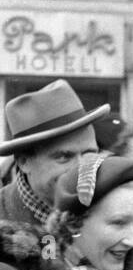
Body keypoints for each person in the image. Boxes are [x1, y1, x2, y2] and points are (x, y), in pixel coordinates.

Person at [0, 79, 109, 226]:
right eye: (64, 156)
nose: (81, 168)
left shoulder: (116, 209)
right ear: (24, 162)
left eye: (89, 154)